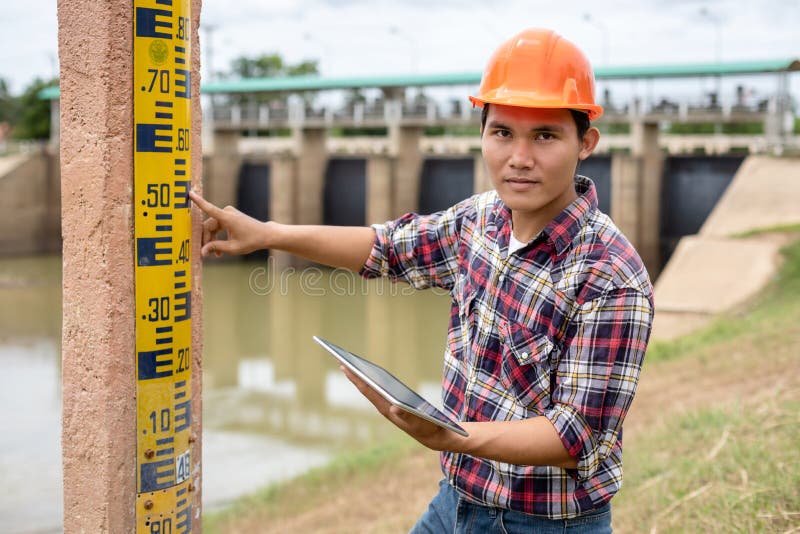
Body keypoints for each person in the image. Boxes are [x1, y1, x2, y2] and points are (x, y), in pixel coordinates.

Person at [189, 28, 653, 533]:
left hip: (545, 523)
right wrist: (268, 234)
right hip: (454, 503)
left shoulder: (611, 277)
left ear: (586, 142)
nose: (519, 157)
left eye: (544, 135)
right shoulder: (480, 221)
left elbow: (577, 434)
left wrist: (458, 438)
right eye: (502, 133)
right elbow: (386, 247)